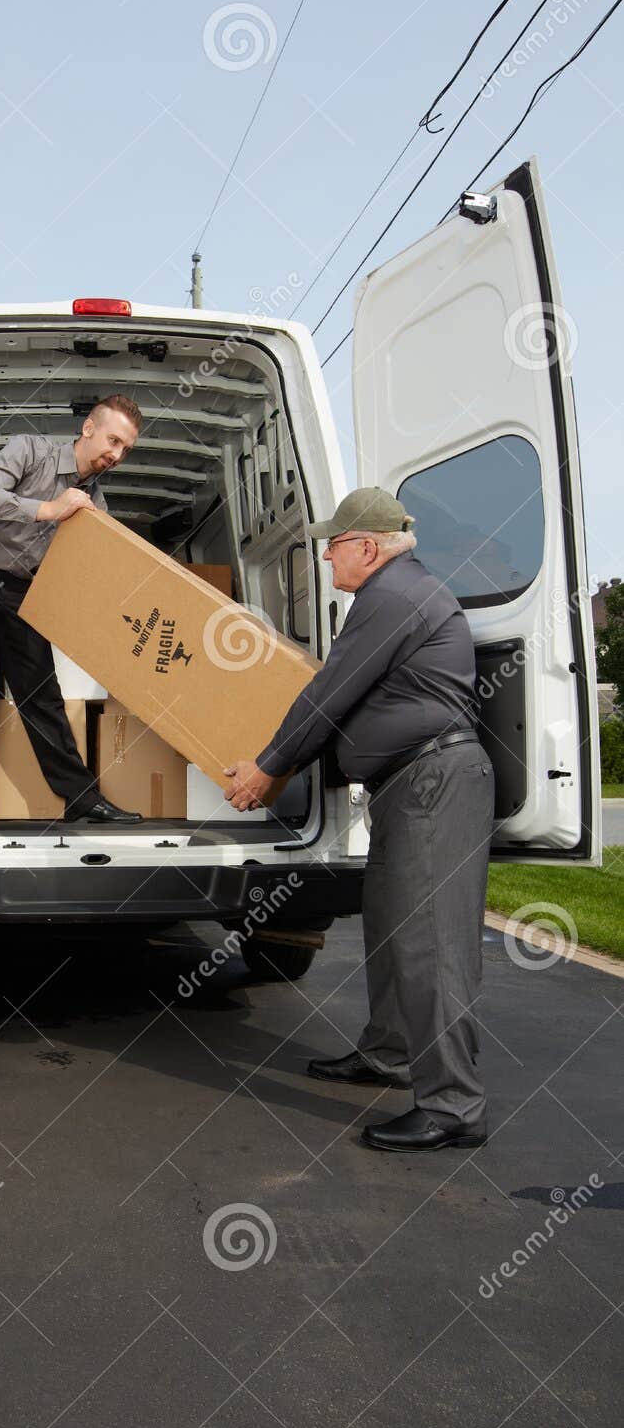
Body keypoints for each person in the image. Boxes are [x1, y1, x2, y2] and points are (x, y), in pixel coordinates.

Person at [224, 487, 495, 1154]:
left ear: (366, 547)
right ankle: (389, 1052)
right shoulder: (395, 594)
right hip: (411, 786)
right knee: (392, 930)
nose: (325, 553)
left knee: (430, 946)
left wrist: (268, 768)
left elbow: (328, 692)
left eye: (334, 543)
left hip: (434, 782)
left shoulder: (393, 596)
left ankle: (453, 1105)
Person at [0, 395, 145, 839]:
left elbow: (87, 570)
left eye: (126, 449)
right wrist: (46, 510)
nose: (116, 454)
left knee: (40, 690)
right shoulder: (30, 450)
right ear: (88, 428)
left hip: (22, 588)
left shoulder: (96, 506)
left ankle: (81, 798)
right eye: (112, 440)